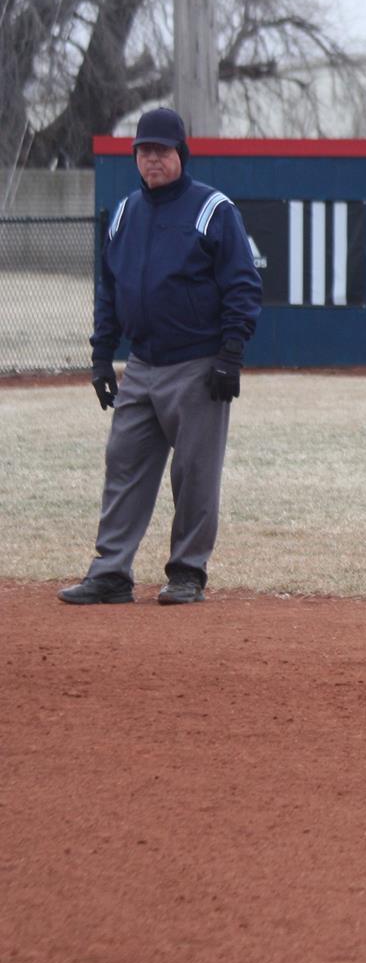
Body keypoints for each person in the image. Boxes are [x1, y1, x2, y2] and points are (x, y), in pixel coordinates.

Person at [58, 107, 262, 606]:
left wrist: (230, 355)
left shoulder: (212, 209)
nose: (152, 159)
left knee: (194, 474)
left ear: (180, 154)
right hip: (142, 365)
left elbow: (242, 285)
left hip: (196, 365)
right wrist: (103, 357)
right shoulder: (126, 211)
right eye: (144, 151)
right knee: (123, 465)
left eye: (162, 151)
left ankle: (187, 573)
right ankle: (111, 573)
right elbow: (110, 289)